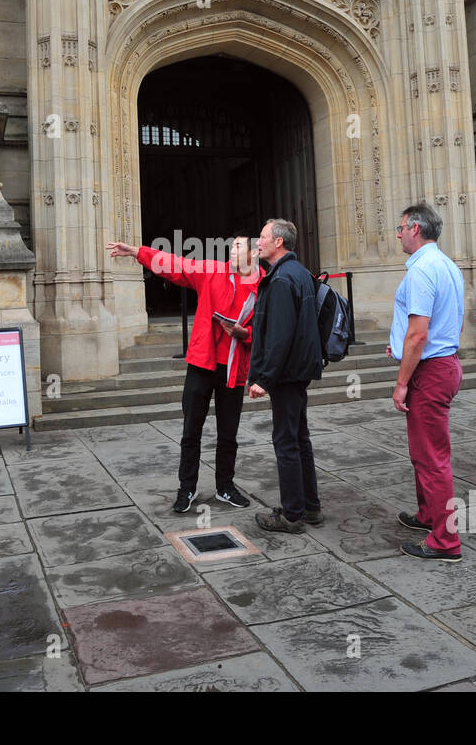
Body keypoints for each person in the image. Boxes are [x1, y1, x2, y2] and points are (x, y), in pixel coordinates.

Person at [107, 235, 260, 512]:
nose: (232, 250)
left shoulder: (261, 287)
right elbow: (176, 265)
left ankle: (225, 487)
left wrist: (245, 334)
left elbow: (267, 329)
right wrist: (137, 252)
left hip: (234, 368)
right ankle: (186, 488)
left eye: (238, 246)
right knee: (191, 431)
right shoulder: (213, 271)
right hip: (202, 364)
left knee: (228, 434)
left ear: (253, 254)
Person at [387, 204, 465, 561]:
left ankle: (445, 541)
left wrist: (402, 382)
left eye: (401, 228)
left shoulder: (422, 270)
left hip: (430, 371)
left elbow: (418, 335)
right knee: (424, 454)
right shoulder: (447, 265)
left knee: (432, 458)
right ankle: (428, 515)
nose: (399, 234)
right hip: (443, 364)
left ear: (415, 228)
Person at [247, 218, 322, 533]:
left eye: (262, 237)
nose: (257, 243)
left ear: (279, 242)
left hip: (287, 374)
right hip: (299, 371)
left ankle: (293, 514)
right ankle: (310, 507)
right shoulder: (300, 273)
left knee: (286, 441)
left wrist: (264, 378)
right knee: (299, 437)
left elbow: (279, 336)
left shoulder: (280, 280)